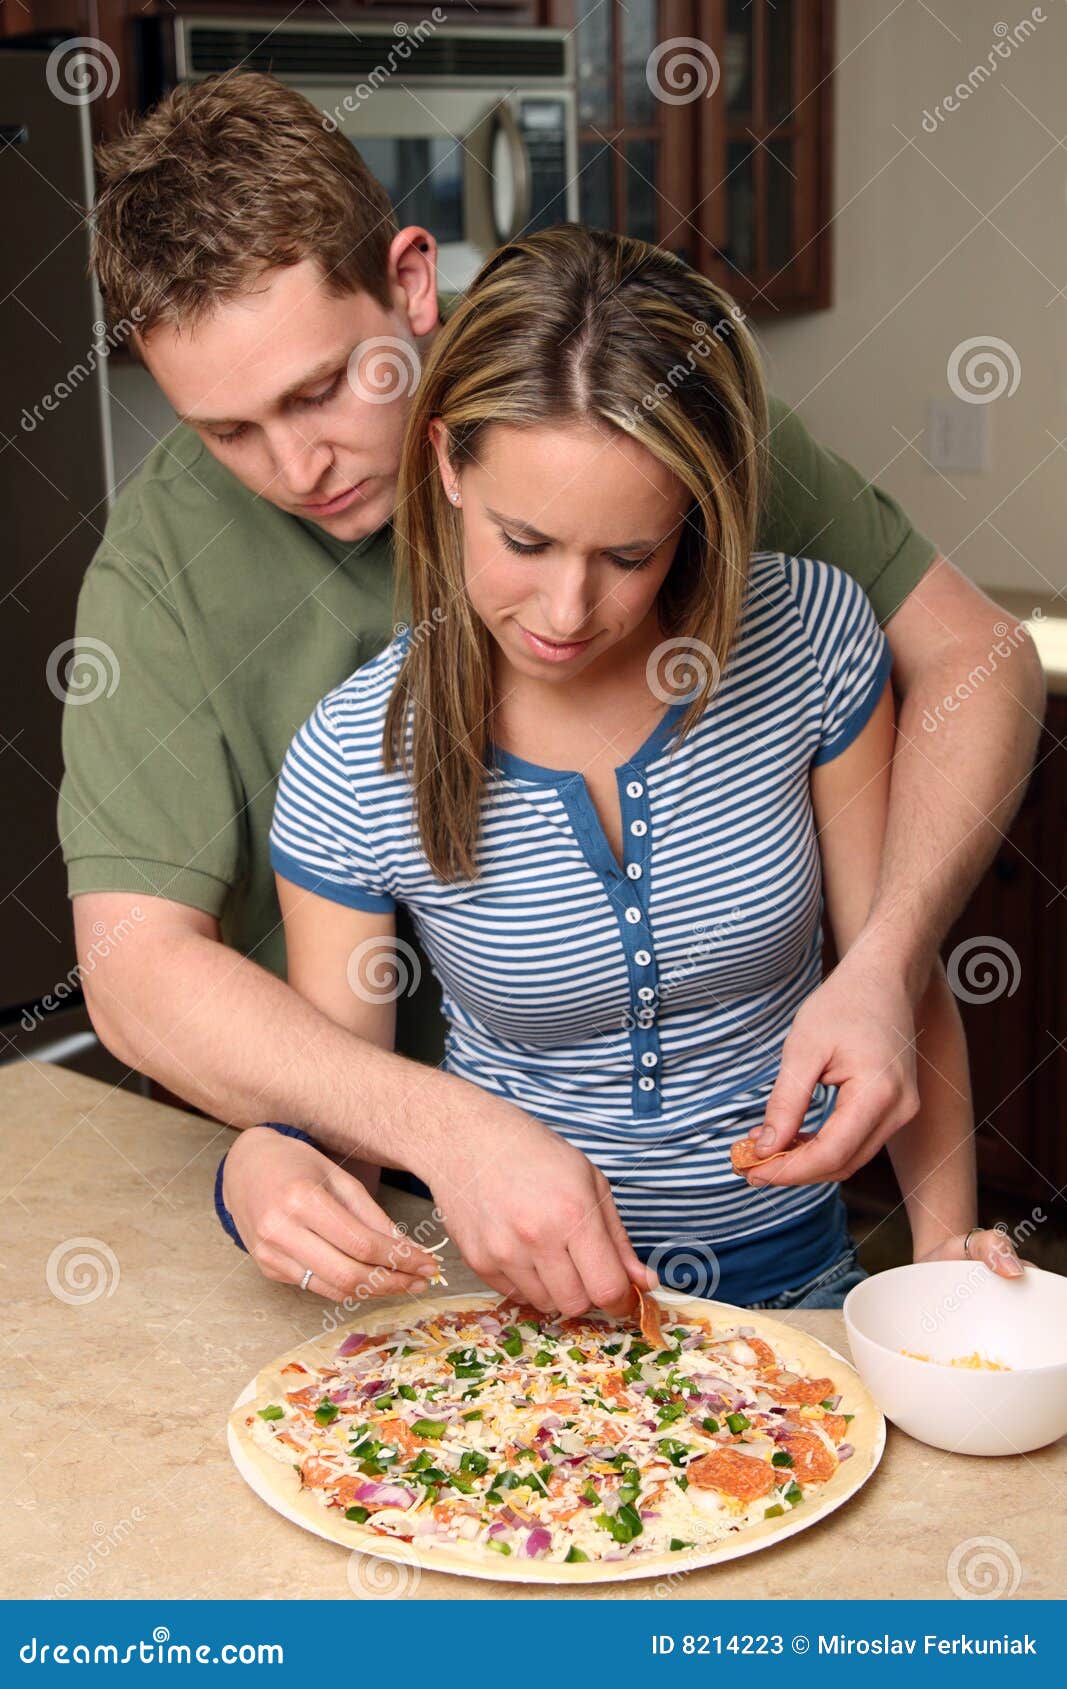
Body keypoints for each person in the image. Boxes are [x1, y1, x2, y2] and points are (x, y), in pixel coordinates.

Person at [60, 74, 1041, 1311]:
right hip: (422, 1232)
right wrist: (386, 1135)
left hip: (777, 1237)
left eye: (319, 392)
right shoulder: (185, 592)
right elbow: (137, 970)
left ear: (411, 284)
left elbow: (975, 656)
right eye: (226, 430)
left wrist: (881, 969)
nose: (294, 465)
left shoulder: (614, 383)